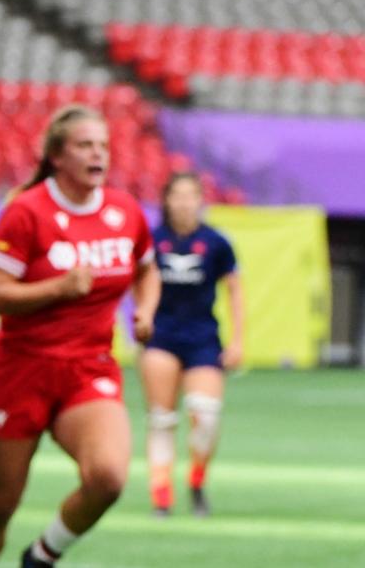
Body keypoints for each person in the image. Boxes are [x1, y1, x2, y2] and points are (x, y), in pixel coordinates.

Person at [0, 105, 161, 568]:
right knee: (0, 507)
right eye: (85, 145)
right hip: (20, 370)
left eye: (104, 146)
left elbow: (147, 270)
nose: (98, 155)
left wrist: (146, 310)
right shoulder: (27, 211)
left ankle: (42, 555)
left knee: (109, 477)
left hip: (87, 368)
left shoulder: (124, 210)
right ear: (57, 156)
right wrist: (59, 287)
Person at [140, 172, 243, 517]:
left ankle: (197, 480)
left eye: (191, 195)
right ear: (166, 200)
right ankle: (162, 496)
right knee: (162, 419)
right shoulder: (153, 240)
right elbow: (135, 282)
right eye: (177, 195)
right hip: (162, 338)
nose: (184, 202)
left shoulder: (216, 242)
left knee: (206, 414)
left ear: (201, 200)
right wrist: (142, 315)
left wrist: (238, 340)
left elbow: (234, 288)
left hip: (202, 339)